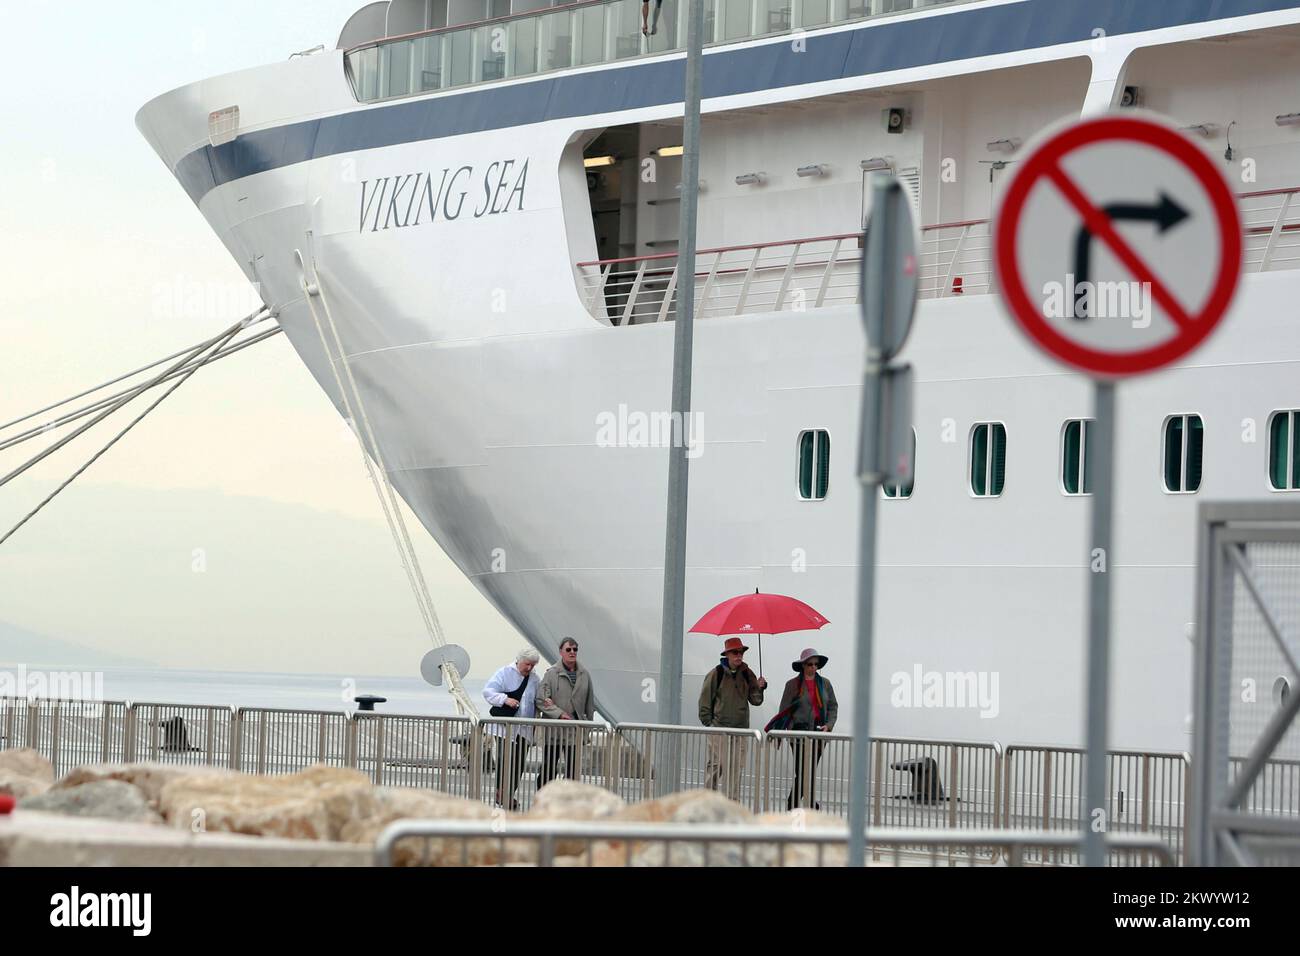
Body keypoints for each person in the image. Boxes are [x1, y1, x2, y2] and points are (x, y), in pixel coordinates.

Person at [765, 648, 838, 810]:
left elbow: (833, 706)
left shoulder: (825, 684)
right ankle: (799, 804)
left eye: (815, 664)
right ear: (803, 665)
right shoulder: (792, 685)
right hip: (798, 735)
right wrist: (789, 730)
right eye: (809, 664)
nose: (813, 667)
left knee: (809, 771)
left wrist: (829, 725)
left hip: (819, 735)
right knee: (804, 771)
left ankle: (805, 802)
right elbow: (784, 710)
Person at [698, 636, 767, 799]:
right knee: (717, 765)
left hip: (740, 731)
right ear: (727, 654)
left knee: (736, 769)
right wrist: (710, 725)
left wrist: (760, 688)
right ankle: (708, 800)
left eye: (741, 652)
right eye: (735, 652)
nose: (739, 655)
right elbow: (704, 700)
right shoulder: (716, 673)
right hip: (719, 729)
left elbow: (756, 700)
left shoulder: (747, 673)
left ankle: (732, 803)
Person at [483, 649, 541, 810]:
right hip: (504, 728)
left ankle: (508, 794)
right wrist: (505, 699)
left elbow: (537, 701)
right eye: (527, 664)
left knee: (519, 763)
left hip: (525, 728)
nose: (529, 668)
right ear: (519, 661)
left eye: (533, 665)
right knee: (504, 759)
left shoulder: (535, 679)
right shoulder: (504, 673)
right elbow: (488, 692)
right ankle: (501, 792)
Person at [536, 637, 594, 789]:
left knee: (573, 772)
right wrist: (559, 713)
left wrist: (587, 730)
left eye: (575, 649)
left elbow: (589, 704)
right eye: (568, 649)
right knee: (549, 768)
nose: (572, 652)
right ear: (561, 652)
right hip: (554, 730)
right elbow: (541, 699)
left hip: (575, 731)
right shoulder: (551, 674)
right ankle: (542, 797)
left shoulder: (585, 675)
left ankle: (568, 803)